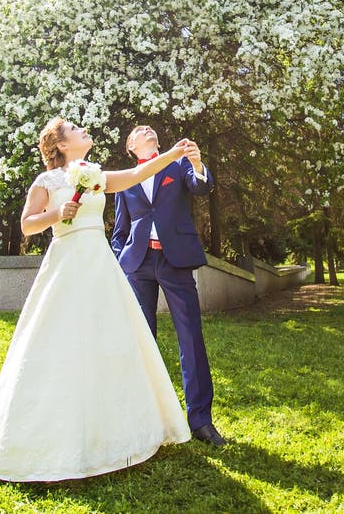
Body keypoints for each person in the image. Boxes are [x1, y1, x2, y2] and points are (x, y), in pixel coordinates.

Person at [0, 118, 192, 483]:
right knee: (62, 339)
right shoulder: (47, 182)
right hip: (67, 263)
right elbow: (27, 224)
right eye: (73, 128)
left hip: (100, 265)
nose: (83, 128)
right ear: (62, 144)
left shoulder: (96, 174)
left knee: (111, 340)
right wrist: (57, 214)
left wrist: (174, 153)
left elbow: (135, 174)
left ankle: (119, 432)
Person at [111, 125, 226, 447]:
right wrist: (120, 260)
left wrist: (198, 164)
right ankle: (143, 417)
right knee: (141, 342)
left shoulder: (178, 165)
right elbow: (119, 230)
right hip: (138, 266)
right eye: (137, 130)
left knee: (191, 339)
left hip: (175, 262)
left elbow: (201, 188)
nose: (146, 128)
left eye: (150, 128)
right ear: (131, 146)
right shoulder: (127, 179)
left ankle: (201, 421)